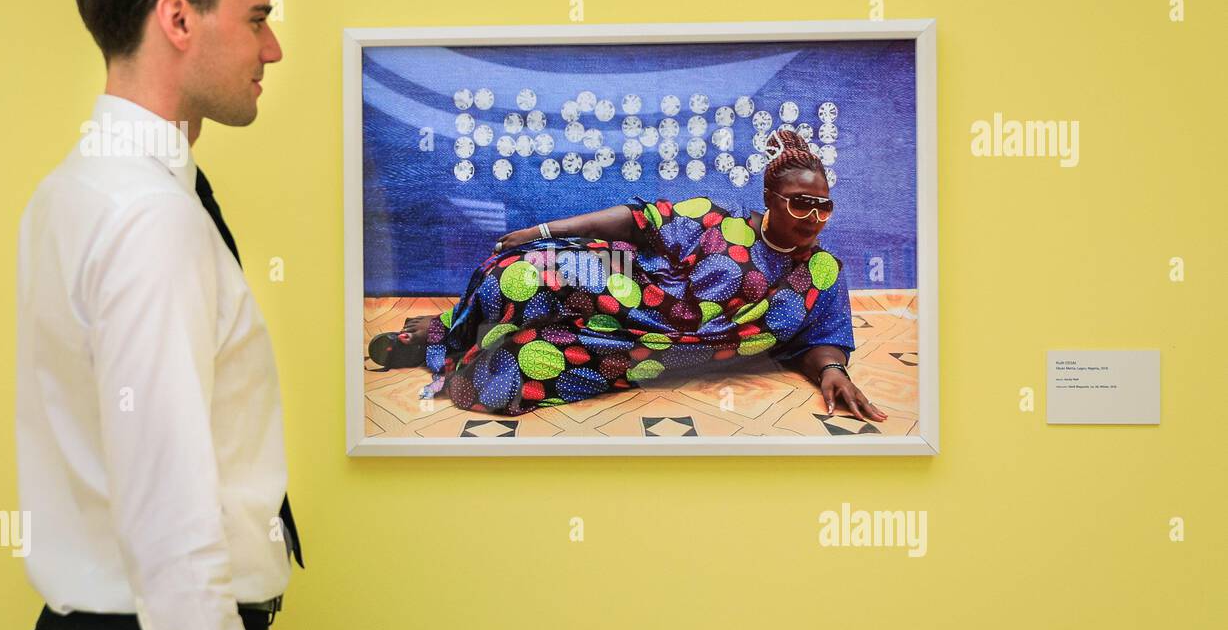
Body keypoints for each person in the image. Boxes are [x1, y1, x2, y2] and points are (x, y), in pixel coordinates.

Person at [17, 0, 302, 630]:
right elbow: (171, 527)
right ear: (178, 21)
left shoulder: (70, 193)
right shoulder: (149, 218)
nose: (273, 48)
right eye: (256, 18)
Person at [368, 128, 887, 423]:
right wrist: (541, 231)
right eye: (801, 204)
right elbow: (635, 221)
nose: (813, 217)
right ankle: (444, 332)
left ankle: (453, 348)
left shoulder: (822, 271)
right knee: (519, 276)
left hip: (648, 352)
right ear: (770, 199)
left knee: (509, 379)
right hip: (628, 288)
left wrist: (830, 370)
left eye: (823, 206)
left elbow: (823, 338)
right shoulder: (715, 219)